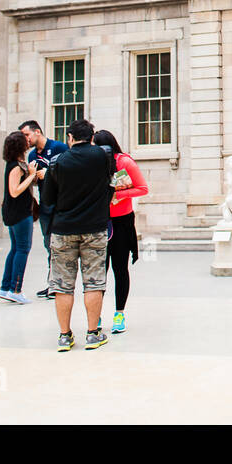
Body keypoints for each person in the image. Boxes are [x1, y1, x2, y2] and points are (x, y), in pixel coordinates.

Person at [42, 118, 114, 352]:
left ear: (70, 138)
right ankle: (93, 333)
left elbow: (48, 200)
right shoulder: (103, 156)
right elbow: (111, 182)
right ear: (92, 137)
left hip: (64, 229)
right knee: (94, 282)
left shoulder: (57, 162)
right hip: (94, 227)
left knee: (63, 284)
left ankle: (65, 335)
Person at [91, 129, 147, 335]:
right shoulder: (94, 164)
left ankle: (119, 313)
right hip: (99, 221)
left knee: (120, 269)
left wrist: (119, 193)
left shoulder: (125, 162)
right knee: (99, 271)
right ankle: (95, 314)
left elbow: (142, 188)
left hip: (122, 221)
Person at [20, 119, 68, 299]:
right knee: (49, 245)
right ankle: (52, 283)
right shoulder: (32, 156)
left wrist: (49, 173)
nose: (25, 139)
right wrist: (32, 177)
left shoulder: (59, 148)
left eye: (27, 134)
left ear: (37, 132)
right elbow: (35, 181)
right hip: (45, 205)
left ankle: (59, 284)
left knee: (60, 246)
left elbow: (69, 170)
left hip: (61, 204)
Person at [0, 131, 39, 303]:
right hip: (19, 212)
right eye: (25, 140)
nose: (28, 140)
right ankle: (16, 289)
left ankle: (6, 287)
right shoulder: (15, 166)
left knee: (16, 248)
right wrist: (30, 175)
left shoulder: (18, 163)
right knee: (22, 248)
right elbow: (14, 191)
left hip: (16, 212)